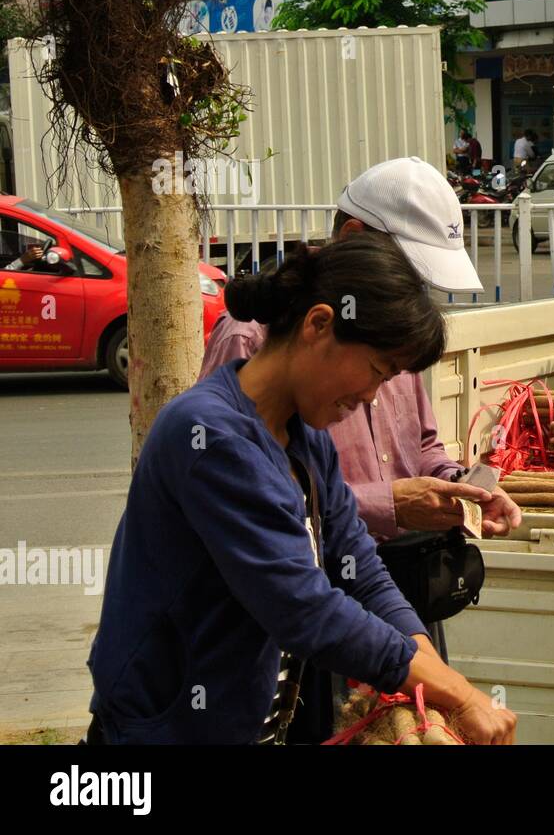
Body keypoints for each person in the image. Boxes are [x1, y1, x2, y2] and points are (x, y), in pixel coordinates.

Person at [87, 235, 517, 744]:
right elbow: (305, 608)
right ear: (318, 325)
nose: (369, 397)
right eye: (376, 372)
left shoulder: (305, 438)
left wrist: (423, 657)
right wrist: (461, 694)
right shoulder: (211, 437)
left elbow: (360, 569)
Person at [201, 156, 521, 546]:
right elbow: (241, 503)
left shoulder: (393, 328)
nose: (370, 392)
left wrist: (463, 487)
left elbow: (422, 446)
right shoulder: (251, 342)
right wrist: (387, 504)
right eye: (405, 274)